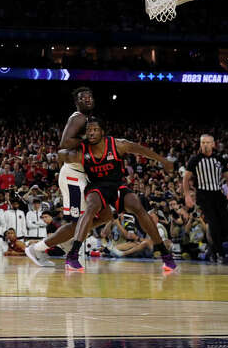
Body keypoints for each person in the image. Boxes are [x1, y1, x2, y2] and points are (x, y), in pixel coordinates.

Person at [59, 116, 178, 273]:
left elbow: (142, 150)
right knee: (92, 207)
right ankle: (72, 255)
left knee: (137, 206)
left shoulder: (118, 144)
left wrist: (162, 160)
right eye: (89, 131)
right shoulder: (81, 151)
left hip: (116, 185)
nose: (92, 133)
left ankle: (165, 254)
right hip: (96, 186)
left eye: (95, 130)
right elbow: (61, 153)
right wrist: (62, 171)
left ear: (102, 132)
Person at [24, 88, 95, 267]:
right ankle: (38, 249)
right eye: (82, 97)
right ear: (76, 102)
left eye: (89, 96)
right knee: (76, 222)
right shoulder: (78, 117)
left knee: (90, 217)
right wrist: (90, 140)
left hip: (81, 175)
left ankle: (67, 247)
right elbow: (64, 143)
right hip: (73, 175)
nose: (87, 99)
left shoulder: (87, 120)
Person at [183, 134, 228, 262]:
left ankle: (212, 249)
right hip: (204, 195)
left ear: (213, 144)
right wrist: (187, 195)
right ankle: (220, 253)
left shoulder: (219, 159)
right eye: (203, 142)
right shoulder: (195, 159)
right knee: (213, 223)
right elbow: (186, 178)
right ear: (200, 144)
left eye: (208, 142)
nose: (205, 145)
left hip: (218, 193)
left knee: (224, 225)